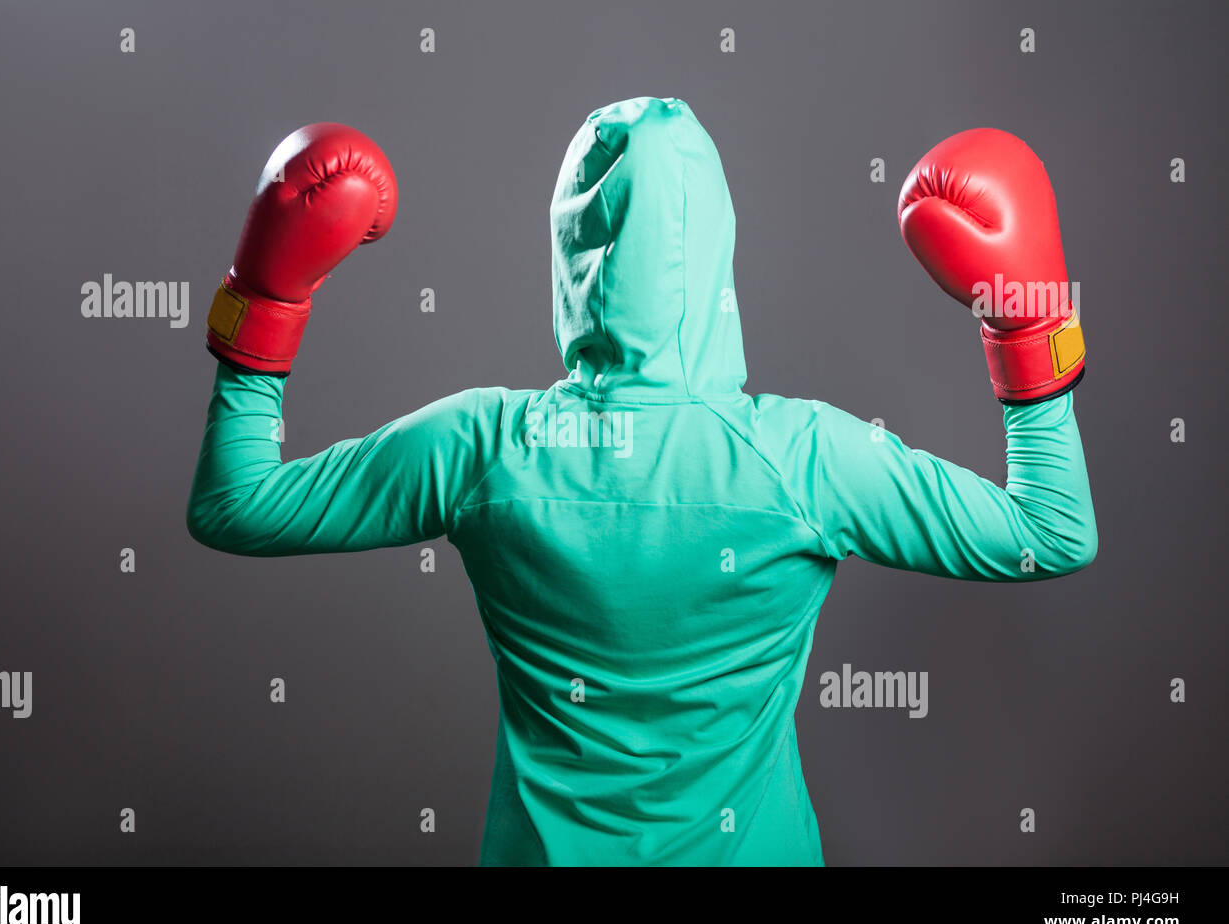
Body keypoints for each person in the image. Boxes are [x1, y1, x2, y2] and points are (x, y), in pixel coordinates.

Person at [187, 97, 1097, 866]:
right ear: (715, 249)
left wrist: (264, 299)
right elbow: (1052, 530)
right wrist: (1030, 326)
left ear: (570, 250)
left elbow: (236, 506)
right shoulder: (804, 458)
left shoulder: (483, 446)